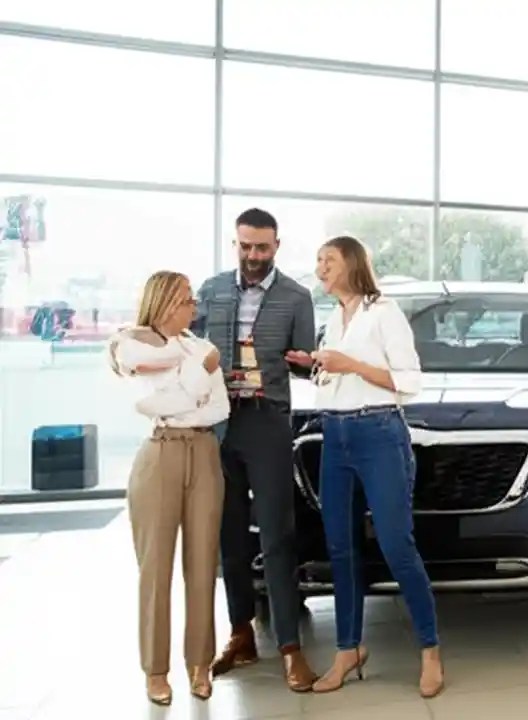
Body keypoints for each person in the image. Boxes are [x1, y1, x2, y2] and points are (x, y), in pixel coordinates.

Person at [288, 235, 444, 696]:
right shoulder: (334, 319)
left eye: (328, 261)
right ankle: (347, 651)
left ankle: (431, 651)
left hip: (379, 434)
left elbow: (408, 380)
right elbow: (336, 374)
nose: (320, 269)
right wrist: (315, 364)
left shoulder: (384, 312)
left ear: (352, 263)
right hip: (334, 435)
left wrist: (350, 364)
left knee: (397, 545)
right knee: (341, 548)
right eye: (317, 261)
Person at [191, 208, 319, 691]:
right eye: (245, 246)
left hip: (267, 422)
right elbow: (189, 344)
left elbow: (307, 364)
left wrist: (306, 363)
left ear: (277, 247)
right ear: (236, 244)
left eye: (261, 247)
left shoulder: (296, 297)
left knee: (277, 535)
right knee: (229, 536)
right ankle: (240, 633)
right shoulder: (212, 290)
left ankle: (289, 646)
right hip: (218, 423)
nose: (252, 256)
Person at [108, 271, 229, 705]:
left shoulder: (200, 347)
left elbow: (217, 406)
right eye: (185, 299)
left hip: (205, 454)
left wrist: (183, 382)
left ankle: (200, 663)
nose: (193, 305)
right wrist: (194, 380)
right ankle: (155, 671)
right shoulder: (133, 344)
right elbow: (148, 403)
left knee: (202, 565)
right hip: (160, 455)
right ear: (163, 301)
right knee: (155, 569)